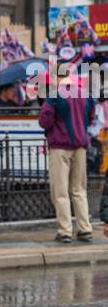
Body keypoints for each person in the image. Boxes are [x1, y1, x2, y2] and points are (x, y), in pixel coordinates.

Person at [39, 74, 96, 243]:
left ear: (57, 77)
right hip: (80, 146)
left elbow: (44, 121)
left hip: (60, 147)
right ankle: (85, 229)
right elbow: (91, 118)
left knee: (60, 191)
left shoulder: (55, 95)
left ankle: (65, 231)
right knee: (79, 190)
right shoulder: (85, 94)